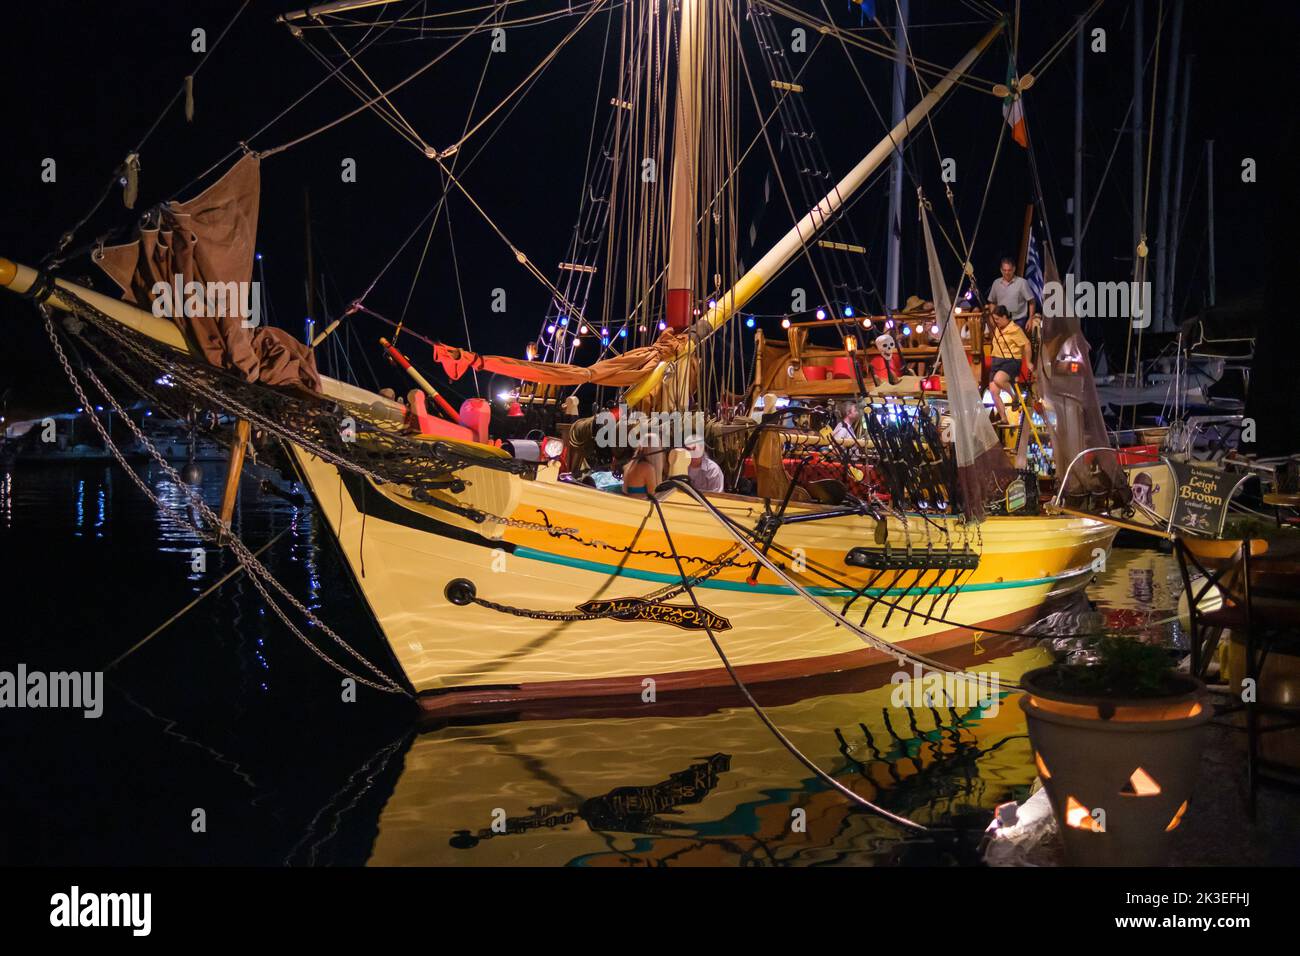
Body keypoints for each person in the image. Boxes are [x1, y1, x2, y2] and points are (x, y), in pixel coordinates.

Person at [988, 306, 1032, 424]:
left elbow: (1027, 345)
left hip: (1011, 361)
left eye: (997, 319)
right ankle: (1003, 418)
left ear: (1004, 317)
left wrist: (1028, 362)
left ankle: (1014, 397)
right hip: (996, 360)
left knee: (999, 380)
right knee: (993, 391)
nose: (995, 321)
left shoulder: (1015, 329)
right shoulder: (998, 328)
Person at [986, 256, 1038, 331]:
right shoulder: (996, 283)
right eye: (1004, 270)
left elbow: (1032, 301)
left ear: (1014, 269)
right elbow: (992, 302)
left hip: (1018, 320)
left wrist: (1030, 318)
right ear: (1001, 270)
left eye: (1009, 270)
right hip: (1001, 319)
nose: (1007, 273)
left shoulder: (1022, 283)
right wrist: (992, 317)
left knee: (1016, 340)